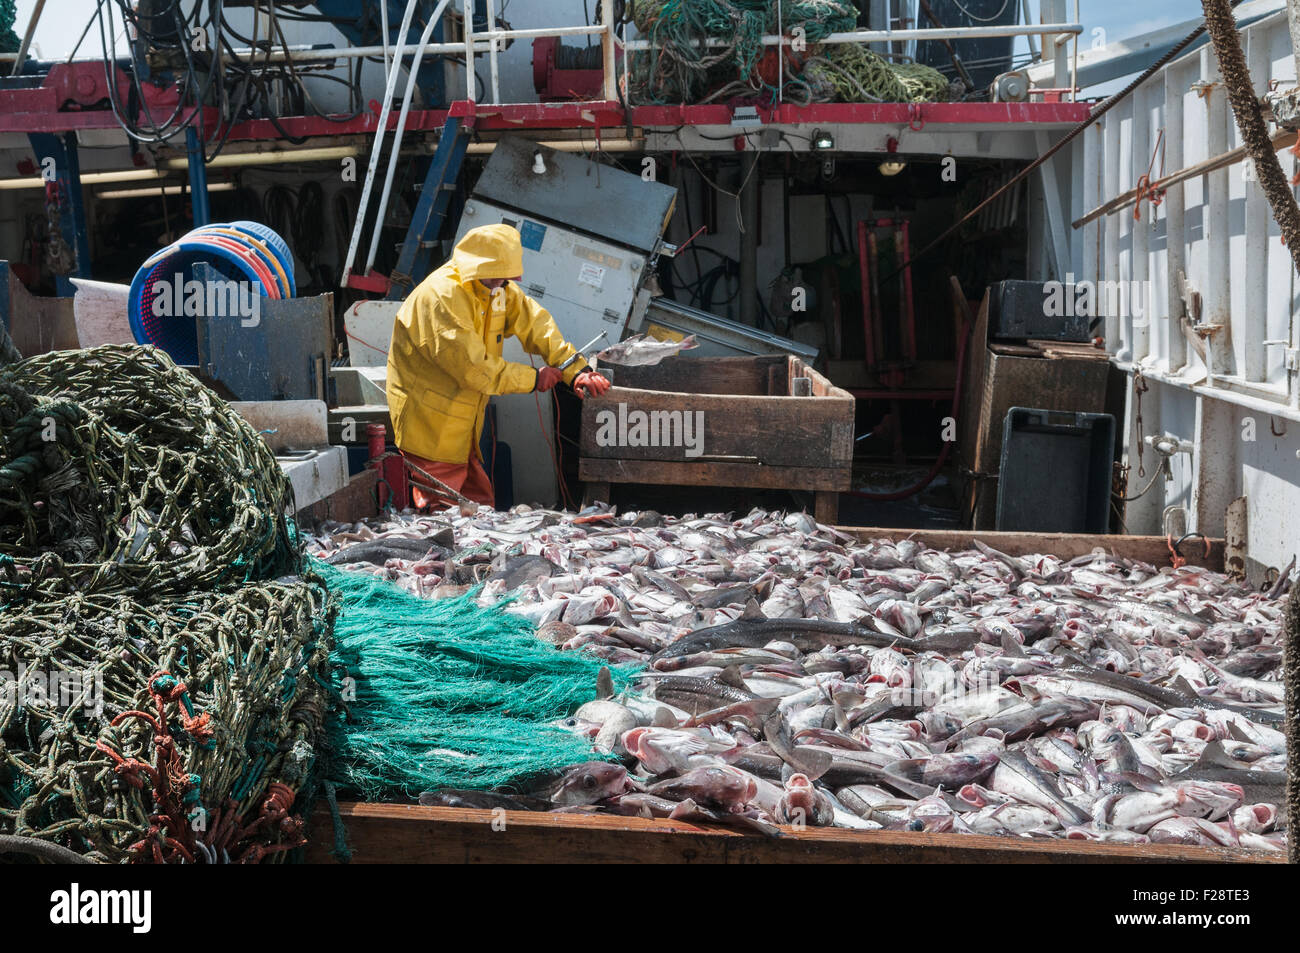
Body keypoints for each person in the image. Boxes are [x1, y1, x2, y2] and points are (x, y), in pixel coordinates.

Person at [386, 223, 611, 509]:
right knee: (441, 520)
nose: (503, 284)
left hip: (465, 431)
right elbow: (474, 370)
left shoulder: (496, 287)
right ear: (476, 268)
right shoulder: (442, 297)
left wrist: (576, 372)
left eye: (507, 279)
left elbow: (535, 323)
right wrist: (533, 379)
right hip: (431, 431)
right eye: (497, 278)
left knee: (480, 512)